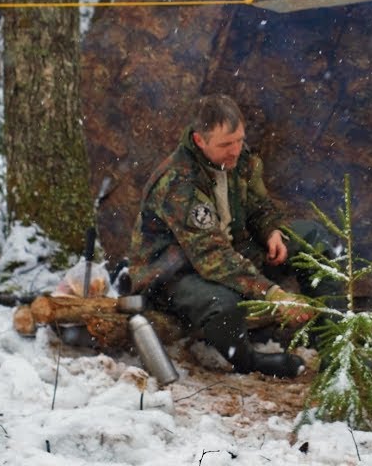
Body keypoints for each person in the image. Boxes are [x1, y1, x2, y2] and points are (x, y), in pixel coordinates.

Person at [122, 94, 336, 379]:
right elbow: (212, 257)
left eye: (239, 140)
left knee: (313, 238)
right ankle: (247, 360)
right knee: (222, 302)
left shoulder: (239, 158)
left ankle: (336, 349)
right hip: (173, 272)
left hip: (231, 250)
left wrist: (271, 230)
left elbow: (259, 206)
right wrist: (274, 294)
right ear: (200, 141)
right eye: (226, 144)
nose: (236, 150)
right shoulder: (178, 182)